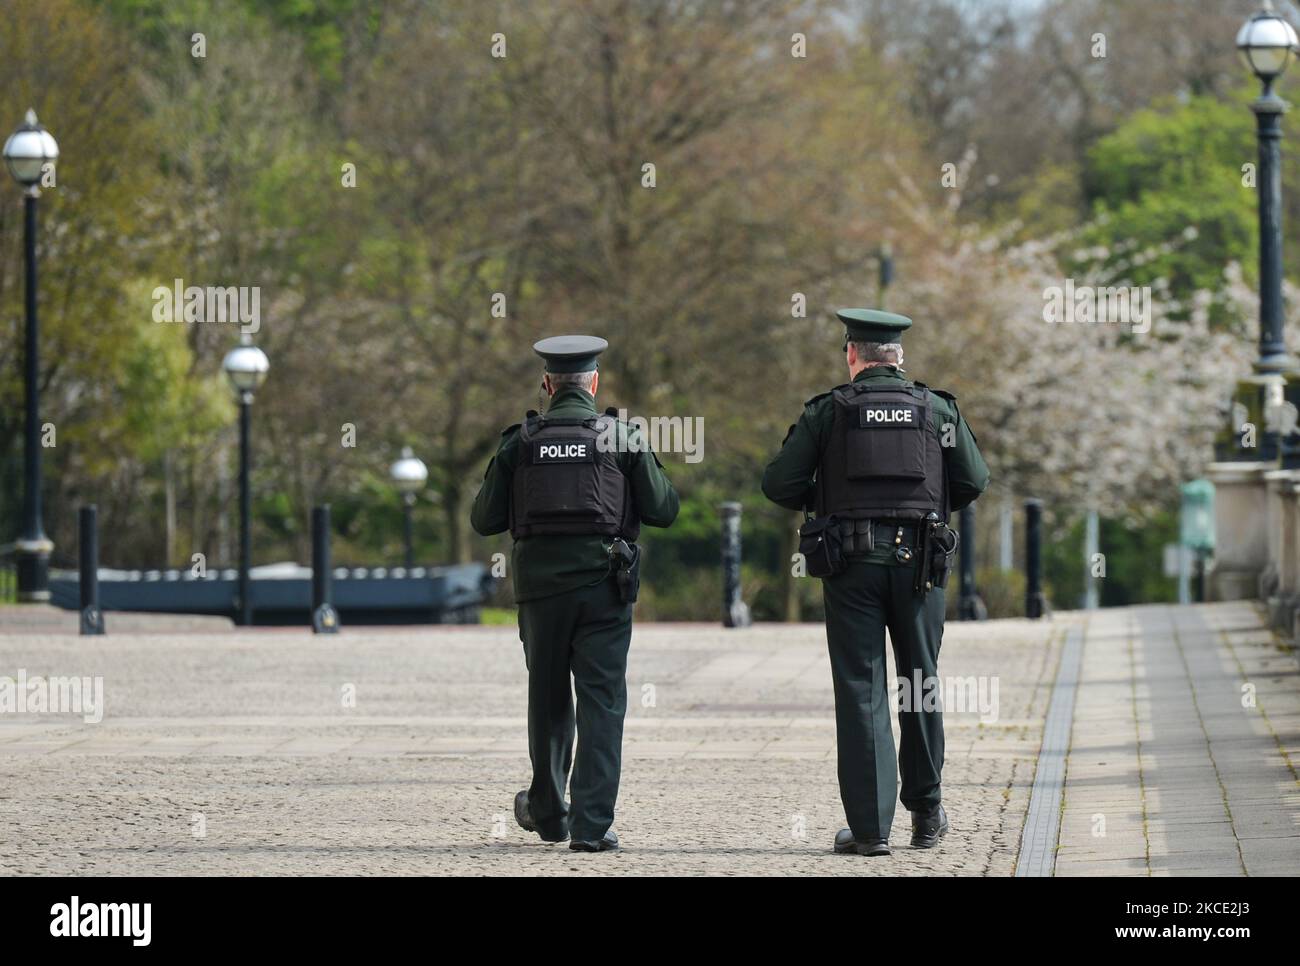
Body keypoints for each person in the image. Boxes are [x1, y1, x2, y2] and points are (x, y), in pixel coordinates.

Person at [761, 309, 989, 856]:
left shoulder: (828, 411)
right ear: (899, 356)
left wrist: (826, 493)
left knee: (862, 688)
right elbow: (974, 480)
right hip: (920, 566)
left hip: (850, 566)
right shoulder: (936, 409)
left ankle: (869, 830)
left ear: (851, 354)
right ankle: (927, 815)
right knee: (920, 682)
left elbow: (779, 483)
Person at [470, 335, 679, 852]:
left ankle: (548, 813)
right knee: (602, 702)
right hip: (605, 588)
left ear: (547, 384)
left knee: (547, 699)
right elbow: (664, 510)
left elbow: (484, 519)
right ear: (594, 383)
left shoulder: (519, 442)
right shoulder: (622, 438)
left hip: (540, 594)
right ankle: (591, 827)